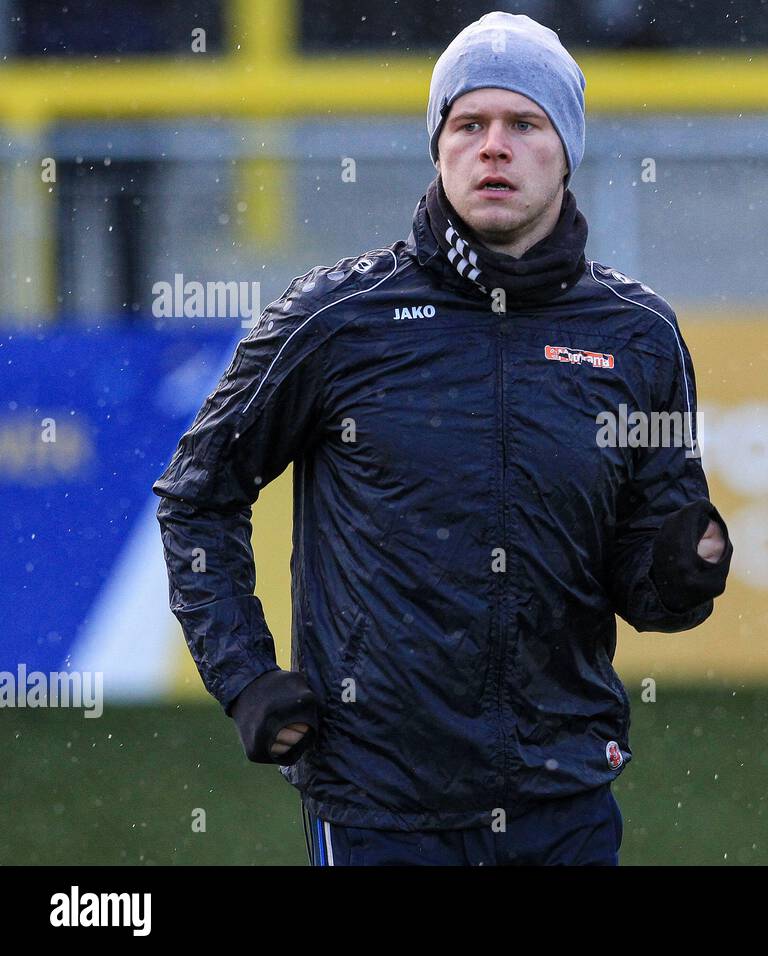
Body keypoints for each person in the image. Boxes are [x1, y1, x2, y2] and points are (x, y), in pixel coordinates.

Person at [152, 10, 734, 866]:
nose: (493, 147)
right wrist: (245, 677)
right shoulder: (336, 319)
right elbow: (196, 498)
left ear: (566, 148)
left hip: (563, 795)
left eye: (524, 124)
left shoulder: (638, 335)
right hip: (378, 805)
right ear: (438, 147)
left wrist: (685, 570)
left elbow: (646, 587)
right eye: (469, 124)